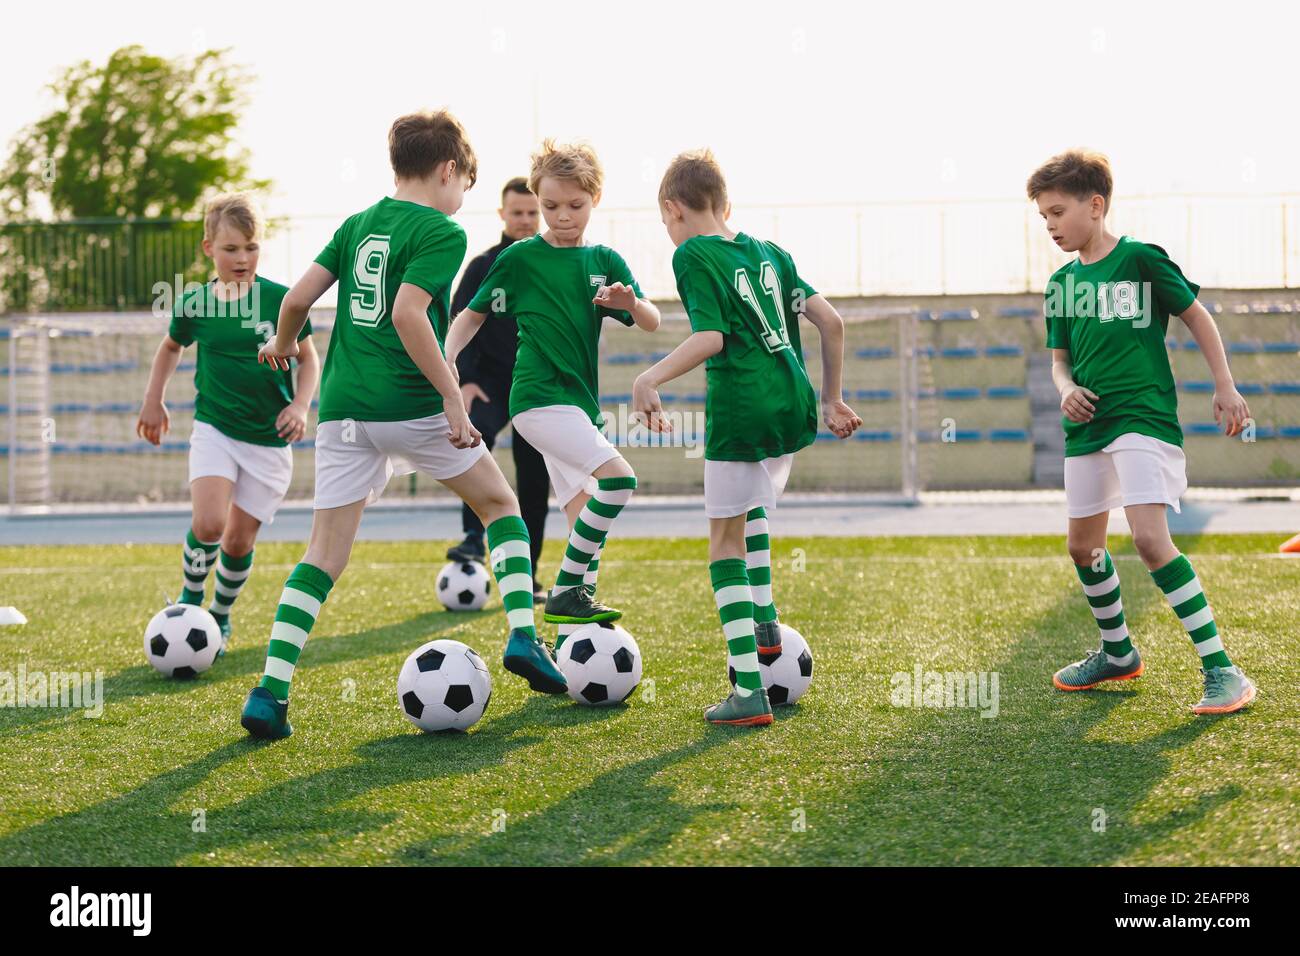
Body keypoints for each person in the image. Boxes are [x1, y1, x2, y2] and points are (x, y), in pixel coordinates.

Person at [239, 111, 565, 741]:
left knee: (324, 555)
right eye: (465, 184)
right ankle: (524, 635)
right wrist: (450, 397)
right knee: (502, 505)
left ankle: (270, 692)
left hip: (341, 410)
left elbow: (297, 302)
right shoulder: (440, 231)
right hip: (411, 405)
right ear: (449, 171)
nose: (462, 198)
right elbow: (410, 314)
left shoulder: (358, 223)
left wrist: (282, 342)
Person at [633, 149, 862, 726]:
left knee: (722, 544)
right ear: (724, 202)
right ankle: (765, 624)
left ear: (673, 208)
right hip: (793, 399)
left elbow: (710, 336)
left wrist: (650, 376)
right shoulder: (771, 252)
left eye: (665, 222)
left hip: (743, 405)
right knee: (752, 510)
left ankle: (748, 692)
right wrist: (831, 400)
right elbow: (831, 321)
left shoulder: (692, 253)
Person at [1027, 148, 1256, 715]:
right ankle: (1118, 653)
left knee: (1151, 540)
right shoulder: (1059, 284)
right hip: (1088, 428)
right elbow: (1059, 361)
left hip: (1141, 417)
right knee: (1083, 547)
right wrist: (1064, 389)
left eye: (1057, 212)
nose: (1051, 225)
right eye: (1043, 217)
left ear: (1095, 205)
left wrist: (1224, 386)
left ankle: (1223, 670)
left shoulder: (1140, 259)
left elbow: (1198, 316)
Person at [444, 140, 661, 651]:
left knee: (581, 507)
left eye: (575, 206)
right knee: (619, 480)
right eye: (550, 206)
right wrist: (448, 358)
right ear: (538, 200)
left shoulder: (605, 259)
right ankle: (567, 589)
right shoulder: (519, 259)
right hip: (537, 401)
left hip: (578, 403)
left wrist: (632, 302)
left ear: (596, 198)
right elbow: (472, 312)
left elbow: (650, 321)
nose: (562, 216)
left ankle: (576, 626)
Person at [137, 193, 319, 653]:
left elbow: (310, 358)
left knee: (237, 543)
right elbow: (171, 348)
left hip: (269, 442)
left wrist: (300, 406)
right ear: (208, 249)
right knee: (211, 522)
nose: (242, 258)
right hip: (215, 429)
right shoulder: (196, 302)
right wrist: (153, 401)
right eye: (230, 248)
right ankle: (190, 600)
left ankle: (219, 617)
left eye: (251, 247)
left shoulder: (282, 300)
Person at [445, 176, 550, 604]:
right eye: (517, 213)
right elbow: (458, 319)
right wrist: (465, 380)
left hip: (534, 381)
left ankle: (529, 572)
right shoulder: (482, 266)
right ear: (502, 214)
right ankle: (473, 537)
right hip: (488, 379)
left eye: (532, 213)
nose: (525, 220)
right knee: (475, 442)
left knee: (534, 477)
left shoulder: (551, 263)